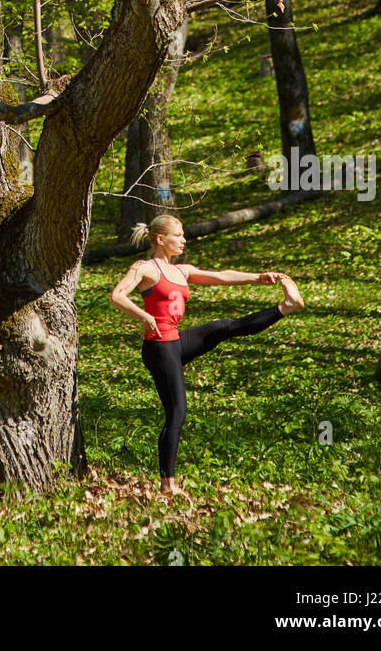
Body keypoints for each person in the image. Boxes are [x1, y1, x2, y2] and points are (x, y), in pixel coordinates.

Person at [109, 212, 304, 500]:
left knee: (222, 328)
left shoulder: (182, 271)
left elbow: (221, 277)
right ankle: (167, 484)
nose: (184, 239)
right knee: (177, 411)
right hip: (158, 346)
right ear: (160, 239)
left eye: (183, 234)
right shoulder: (144, 268)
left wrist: (259, 278)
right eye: (178, 235)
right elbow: (117, 296)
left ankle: (286, 307)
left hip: (174, 341)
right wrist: (144, 316)